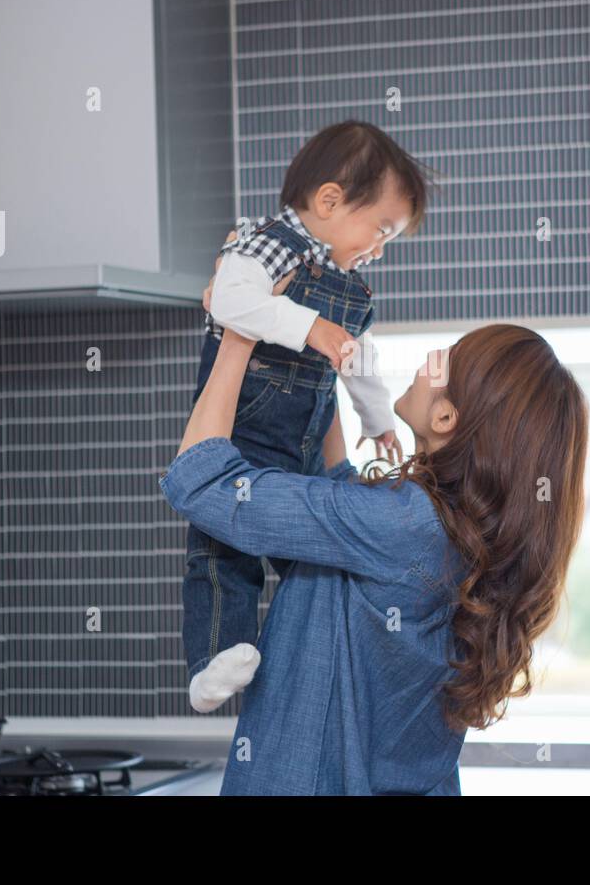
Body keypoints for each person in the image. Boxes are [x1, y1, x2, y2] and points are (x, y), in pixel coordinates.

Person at [159, 322, 589, 794]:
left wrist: (237, 332)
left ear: (447, 418)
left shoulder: (404, 522)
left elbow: (200, 482)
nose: (431, 359)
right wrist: (323, 365)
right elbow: (338, 488)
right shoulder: (453, 535)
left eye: (447, 360)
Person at [180, 121, 433, 712]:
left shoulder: (348, 286)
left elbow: (355, 358)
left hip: (305, 443)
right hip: (241, 435)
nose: (379, 248)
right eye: (381, 230)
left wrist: (377, 419)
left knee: (317, 560)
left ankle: (322, 666)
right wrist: (309, 326)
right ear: (329, 200)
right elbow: (229, 301)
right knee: (222, 553)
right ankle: (212, 660)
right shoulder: (263, 245)